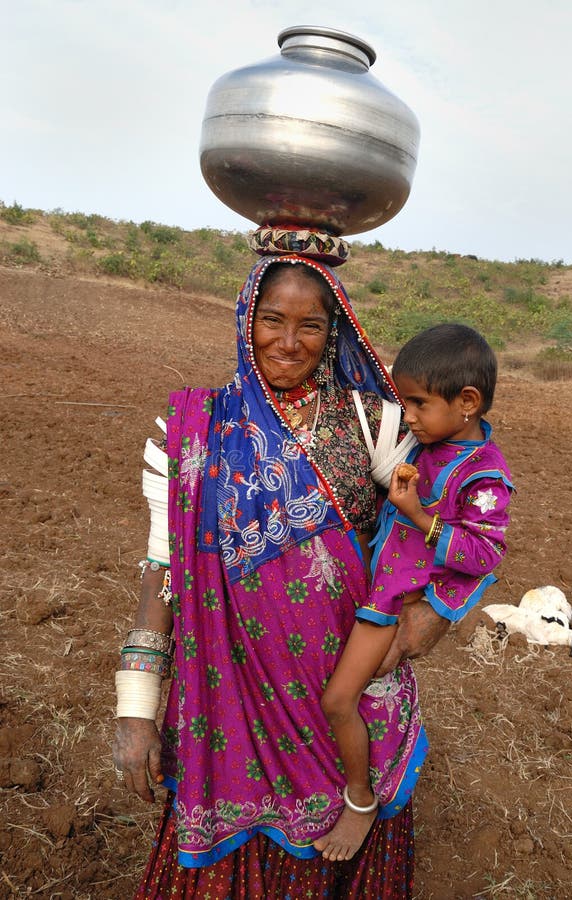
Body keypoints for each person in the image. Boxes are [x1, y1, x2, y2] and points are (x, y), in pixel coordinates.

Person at [112, 252, 443, 899]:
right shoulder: (189, 434)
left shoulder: (369, 422)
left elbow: (451, 526)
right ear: (245, 322)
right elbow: (161, 578)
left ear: (334, 332)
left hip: (342, 707)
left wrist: (419, 627)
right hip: (228, 707)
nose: (288, 343)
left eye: (310, 326)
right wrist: (136, 712)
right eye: (272, 321)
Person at [315, 323, 514, 862]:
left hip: (387, 608)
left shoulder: (484, 476)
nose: (406, 416)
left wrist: (419, 517)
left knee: (338, 700)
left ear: (467, 402)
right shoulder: (432, 444)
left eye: (418, 403)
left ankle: (360, 801)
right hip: (375, 590)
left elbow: (485, 553)